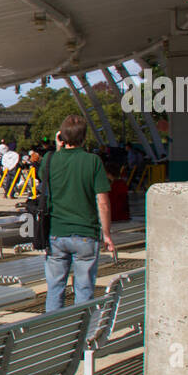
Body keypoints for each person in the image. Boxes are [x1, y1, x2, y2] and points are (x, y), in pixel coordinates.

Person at [42, 115, 114, 311]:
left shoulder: (49, 160)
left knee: (55, 288)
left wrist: (59, 148)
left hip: (56, 233)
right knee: (83, 289)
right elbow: (103, 202)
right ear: (84, 137)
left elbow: (47, 179)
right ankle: (80, 333)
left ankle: (53, 332)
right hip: (86, 234)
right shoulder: (93, 161)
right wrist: (106, 234)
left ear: (61, 136)